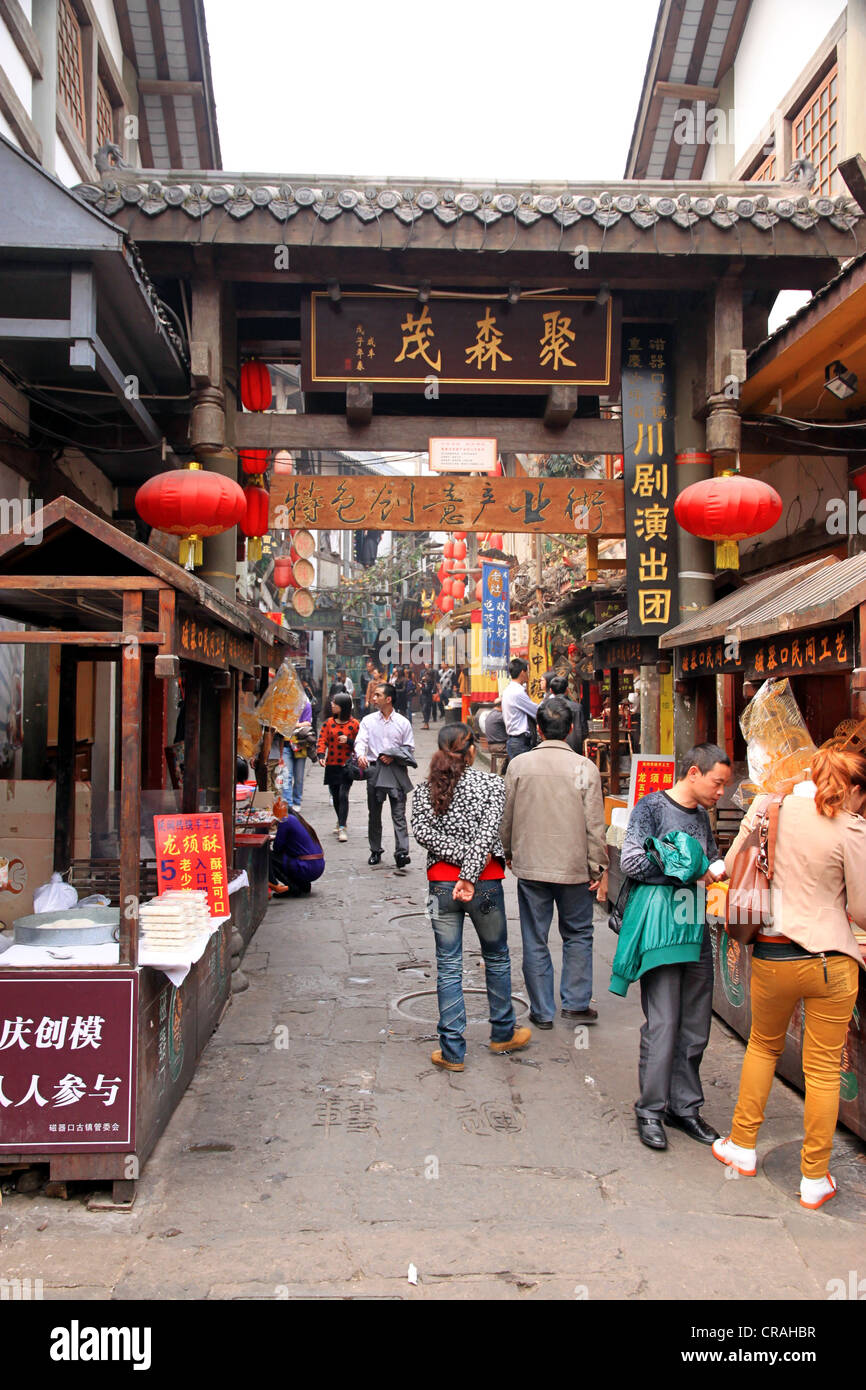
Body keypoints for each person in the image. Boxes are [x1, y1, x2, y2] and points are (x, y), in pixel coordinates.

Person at [712, 742, 866, 1210]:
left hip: (775, 956)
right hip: (832, 962)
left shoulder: (766, 807)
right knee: (822, 1071)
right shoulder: (852, 828)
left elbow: (734, 864)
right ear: (853, 789)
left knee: (763, 1046)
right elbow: (860, 909)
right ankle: (814, 1179)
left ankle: (741, 1147)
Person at [620, 743, 732, 1151]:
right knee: (664, 1022)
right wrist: (686, 870)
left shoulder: (702, 815)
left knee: (696, 1024)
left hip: (696, 925)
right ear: (694, 774)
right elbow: (631, 862)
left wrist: (715, 870)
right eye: (718, 783)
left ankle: (684, 1107)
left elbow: (711, 861)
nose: (721, 792)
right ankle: (650, 1108)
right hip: (662, 928)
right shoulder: (651, 807)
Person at [411, 723, 531, 1070]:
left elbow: (422, 833)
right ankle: (502, 1032)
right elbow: (486, 834)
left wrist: (458, 867)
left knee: (448, 964)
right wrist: (470, 872)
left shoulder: (424, 790)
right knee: (496, 957)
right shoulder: (492, 785)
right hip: (486, 885)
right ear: (472, 751)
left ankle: (452, 1051)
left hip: (440, 888)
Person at [500, 697, 607, 1029]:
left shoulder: (519, 765)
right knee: (578, 933)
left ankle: (543, 1010)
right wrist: (598, 867)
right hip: (575, 867)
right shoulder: (584, 767)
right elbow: (594, 824)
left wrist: (507, 852)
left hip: (531, 864)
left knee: (535, 936)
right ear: (572, 729)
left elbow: (507, 817)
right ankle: (575, 1003)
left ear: (537, 729)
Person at [355, 682, 415, 869]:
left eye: (378, 695)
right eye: (374, 695)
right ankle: (375, 850)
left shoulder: (403, 723)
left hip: (396, 771)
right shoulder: (368, 721)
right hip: (374, 769)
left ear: (388, 699)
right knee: (375, 813)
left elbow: (409, 748)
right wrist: (360, 755)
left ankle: (402, 852)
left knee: (399, 813)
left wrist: (394, 755)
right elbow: (360, 741)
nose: (374, 698)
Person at [317, 692, 360, 842]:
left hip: (347, 765)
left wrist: (349, 741)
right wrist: (321, 755)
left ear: (343, 707)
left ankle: (342, 827)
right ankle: (340, 820)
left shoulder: (354, 724)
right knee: (335, 795)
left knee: (343, 794)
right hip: (332, 764)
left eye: (335, 703)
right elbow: (322, 740)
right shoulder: (329, 723)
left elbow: (361, 744)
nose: (332, 705)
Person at [269, 809, 325, 896]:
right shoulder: (299, 821)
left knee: (269, 857)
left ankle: (291, 887)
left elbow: (277, 848)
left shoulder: (285, 819)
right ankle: (302, 885)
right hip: (317, 865)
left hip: (307, 867)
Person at [280, 688, 314, 811]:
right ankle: (288, 804)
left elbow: (308, 723)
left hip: (300, 744)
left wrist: (294, 725)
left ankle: (297, 801)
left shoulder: (305, 704)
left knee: (299, 776)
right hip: (285, 743)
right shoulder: (283, 705)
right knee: (286, 775)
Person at [501, 657, 538, 763]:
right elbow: (535, 711)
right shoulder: (517, 692)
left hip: (515, 740)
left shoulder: (509, 689)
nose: (528, 674)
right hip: (520, 741)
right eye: (528, 671)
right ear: (522, 672)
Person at [542, 675, 588, 754]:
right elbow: (584, 731)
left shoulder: (546, 707)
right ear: (567, 690)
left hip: (552, 749)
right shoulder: (577, 707)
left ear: (551, 691)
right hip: (574, 749)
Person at [419, 665, 439, 729]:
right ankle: (426, 724)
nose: (425, 675)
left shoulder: (430, 681)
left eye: (426, 674)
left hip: (427, 697)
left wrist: (421, 687)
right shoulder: (426, 680)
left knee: (425, 710)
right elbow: (422, 684)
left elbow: (427, 689)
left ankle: (426, 724)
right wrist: (422, 681)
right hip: (423, 696)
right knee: (424, 710)